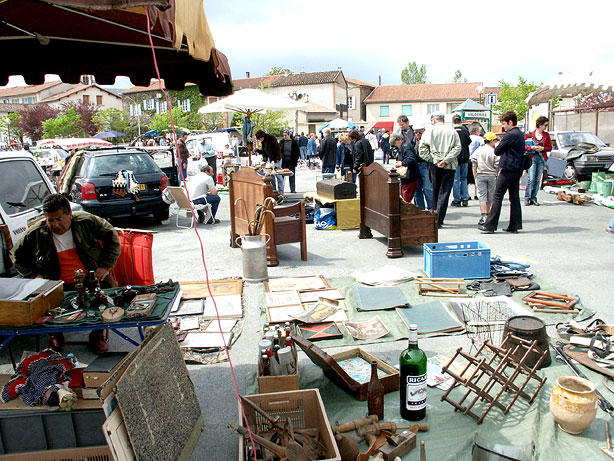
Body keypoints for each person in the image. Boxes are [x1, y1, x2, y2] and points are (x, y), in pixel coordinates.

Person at [13, 194, 121, 354]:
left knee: (109, 288)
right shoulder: (36, 233)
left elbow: (112, 238)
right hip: (55, 283)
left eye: (59, 219)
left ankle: (97, 334)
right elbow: (17, 256)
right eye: (50, 220)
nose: (55, 225)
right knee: (39, 299)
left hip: (90, 276)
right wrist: (35, 275)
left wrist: (105, 266)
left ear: (70, 214)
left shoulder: (87, 222)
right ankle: (55, 335)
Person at [479, 111, 525, 234]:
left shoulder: (510, 135)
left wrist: (500, 144)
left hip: (508, 168)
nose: (503, 127)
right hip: (517, 168)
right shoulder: (520, 134)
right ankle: (514, 225)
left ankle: (490, 225)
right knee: (514, 197)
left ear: (510, 122)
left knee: (497, 195)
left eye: (504, 124)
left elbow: (497, 151)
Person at [419, 112, 461, 228]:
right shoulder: (452, 131)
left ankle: (434, 217)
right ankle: (440, 218)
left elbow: (422, 150)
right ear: (443, 120)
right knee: (445, 192)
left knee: (435, 190)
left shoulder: (429, 131)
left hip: (435, 165)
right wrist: (446, 160)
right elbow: (458, 148)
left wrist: (434, 160)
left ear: (433, 120)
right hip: (449, 165)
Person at [471, 132, 499, 226]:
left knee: (482, 196)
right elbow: (497, 165)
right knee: (490, 196)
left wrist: (475, 174)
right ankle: (488, 214)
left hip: (480, 175)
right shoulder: (494, 151)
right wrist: (496, 173)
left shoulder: (479, 150)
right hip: (491, 175)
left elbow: (474, 163)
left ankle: (484, 215)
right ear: (491, 141)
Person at [524, 116, 552, 206]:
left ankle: (533, 198)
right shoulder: (530, 134)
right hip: (532, 157)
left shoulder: (546, 135)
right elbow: (523, 145)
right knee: (531, 178)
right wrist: (531, 147)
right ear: (539, 125)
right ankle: (527, 197)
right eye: (545, 125)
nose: (546, 127)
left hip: (541, 157)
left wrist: (543, 148)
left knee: (537, 179)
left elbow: (550, 147)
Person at [451, 115, 472, 207]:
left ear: (453, 121)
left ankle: (457, 199)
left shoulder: (451, 131)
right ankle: (465, 198)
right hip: (465, 157)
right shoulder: (465, 131)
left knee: (456, 179)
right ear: (461, 121)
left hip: (455, 158)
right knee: (464, 178)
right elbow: (469, 142)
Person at [392, 133, 419, 203]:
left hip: (409, 176)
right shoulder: (405, 146)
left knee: (406, 199)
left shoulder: (406, 147)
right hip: (408, 176)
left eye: (395, 143)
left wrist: (401, 163)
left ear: (399, 140)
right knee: (405, 197)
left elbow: (411, 159)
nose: (395, 145)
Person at [412, 123, 433, 210]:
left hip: (425, 164)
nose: (417, 134)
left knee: (427, 188)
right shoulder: (413, 140)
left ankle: (432, 209)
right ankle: (420, 209)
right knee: (417, 189)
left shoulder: (428, 140)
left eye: (419, 132)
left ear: (424, 131)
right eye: (416, 132)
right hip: (416, 165)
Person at [468, 126, 485, 200]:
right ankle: (476, 194)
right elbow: (483, 147)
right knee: (476, 176)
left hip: (468, 159)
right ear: (477, 131)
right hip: (476, 160)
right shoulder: (480, 139)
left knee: (467, 178)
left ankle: (467, 194)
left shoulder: (468, 137)